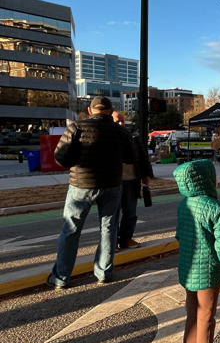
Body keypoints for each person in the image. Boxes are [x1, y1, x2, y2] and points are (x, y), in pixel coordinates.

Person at [47, 96, 132, 289]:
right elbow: (129, 157)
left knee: (71, 229)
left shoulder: (76, 127)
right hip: (111, 184)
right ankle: (104, 272)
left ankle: (61, 277)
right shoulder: (122, 131)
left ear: (91, 109)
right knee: (109, 229)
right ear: (110, 112)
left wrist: (77, 161)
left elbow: (60, 157)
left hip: (80, 184)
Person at [173, 159, 220, 343]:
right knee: (206, 318)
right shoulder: (216, 208)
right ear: (205, 180)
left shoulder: (184, 205)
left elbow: (179, 236)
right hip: (208, 271)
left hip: (188, 269)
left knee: (192, 316)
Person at [112, 111, 153, 250]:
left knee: (130, 212)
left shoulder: (133, 136)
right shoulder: (107, 137)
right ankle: (112, 242)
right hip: (113, 182)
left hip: (132, 180)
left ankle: (126, 239)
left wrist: (146, 176)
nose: (121, 124)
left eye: (122, 121)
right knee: (112, 214)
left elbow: (143, 157)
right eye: (117, 121)